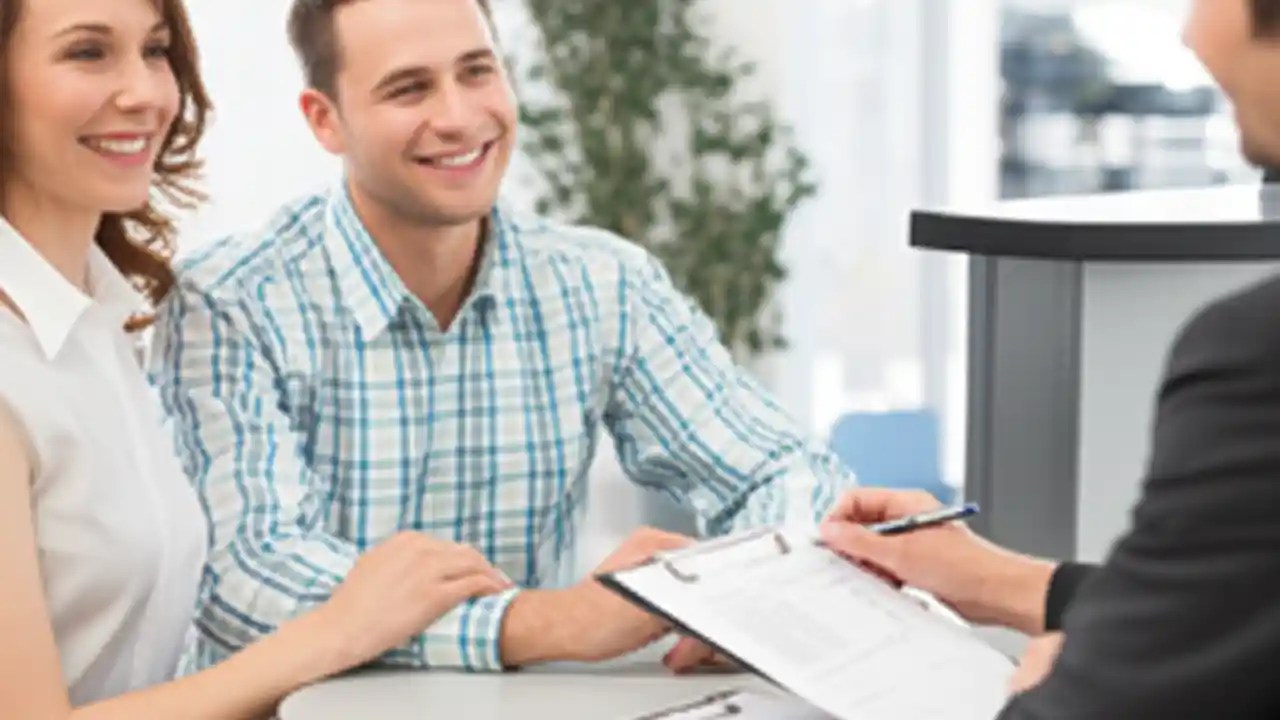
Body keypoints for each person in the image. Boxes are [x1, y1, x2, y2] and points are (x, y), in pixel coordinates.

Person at [148, 0, 856, 676]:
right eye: (408, 89)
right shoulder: (229, 298)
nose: (458, 117)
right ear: (325, 121)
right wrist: (548, 623)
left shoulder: (603, 282)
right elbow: (248, 576)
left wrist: (741, 600)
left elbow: (786, 474)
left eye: (477, 71)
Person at [0, 0, 524, 716]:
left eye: (155, 51)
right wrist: (336, 631)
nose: (147, 93)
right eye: (87, 53)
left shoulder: (98, 319)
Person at [820, 0, 1280, 715]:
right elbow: (1239, 599)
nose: (1190, 33)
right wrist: (989, 577)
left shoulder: (1257, 358)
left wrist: (1051, 691)